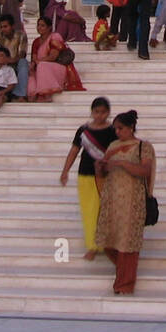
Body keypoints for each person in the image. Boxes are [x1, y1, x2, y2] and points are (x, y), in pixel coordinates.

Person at [94, 110, 155, 294]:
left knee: (128, 243)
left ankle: (124, 285)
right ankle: (124, 274)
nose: (117, 132)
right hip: (112, 200)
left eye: (121, 128)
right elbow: (103, 172)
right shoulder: (113, 145)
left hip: (132, 202)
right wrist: (100, 167)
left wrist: (121, 164)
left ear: (131, 128)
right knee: (108, 240)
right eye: (116, 129)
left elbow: (145, 171)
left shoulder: (142, 147)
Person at [59, 97, 116, 259]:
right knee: (89, 211)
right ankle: (93, 246)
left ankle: (108, 243)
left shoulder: (114, 130)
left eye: (103, 112)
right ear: (92, 112)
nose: (100, 115)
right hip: (86, 174)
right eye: (97, 112)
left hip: (107, 175)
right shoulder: (83, 130)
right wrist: (65, 171)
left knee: (105, 211)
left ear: (108, 112)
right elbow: (74, 151)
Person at [28, 15, 82, 100]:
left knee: (42, 66)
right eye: (38, 25)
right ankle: (37, 94)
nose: (39, 27)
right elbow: (34, 57)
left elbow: (53, 57)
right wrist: (34, 64)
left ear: (49, 27)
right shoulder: (36, 41)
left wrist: (39, 61)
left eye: (42, 25)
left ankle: (44, 94)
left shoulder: (55, 37)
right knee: (32, 73)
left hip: (57, 67)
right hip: (40, 66)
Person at [0, 13, 30, 100]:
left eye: (5, 26)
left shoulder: (21, 35)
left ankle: (21, 95)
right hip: (2, 63)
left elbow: (22, 53)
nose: (3, 29)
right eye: (1, 27)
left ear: (12, 26)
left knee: (23, 62)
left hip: (16, 62)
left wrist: (12, 60)